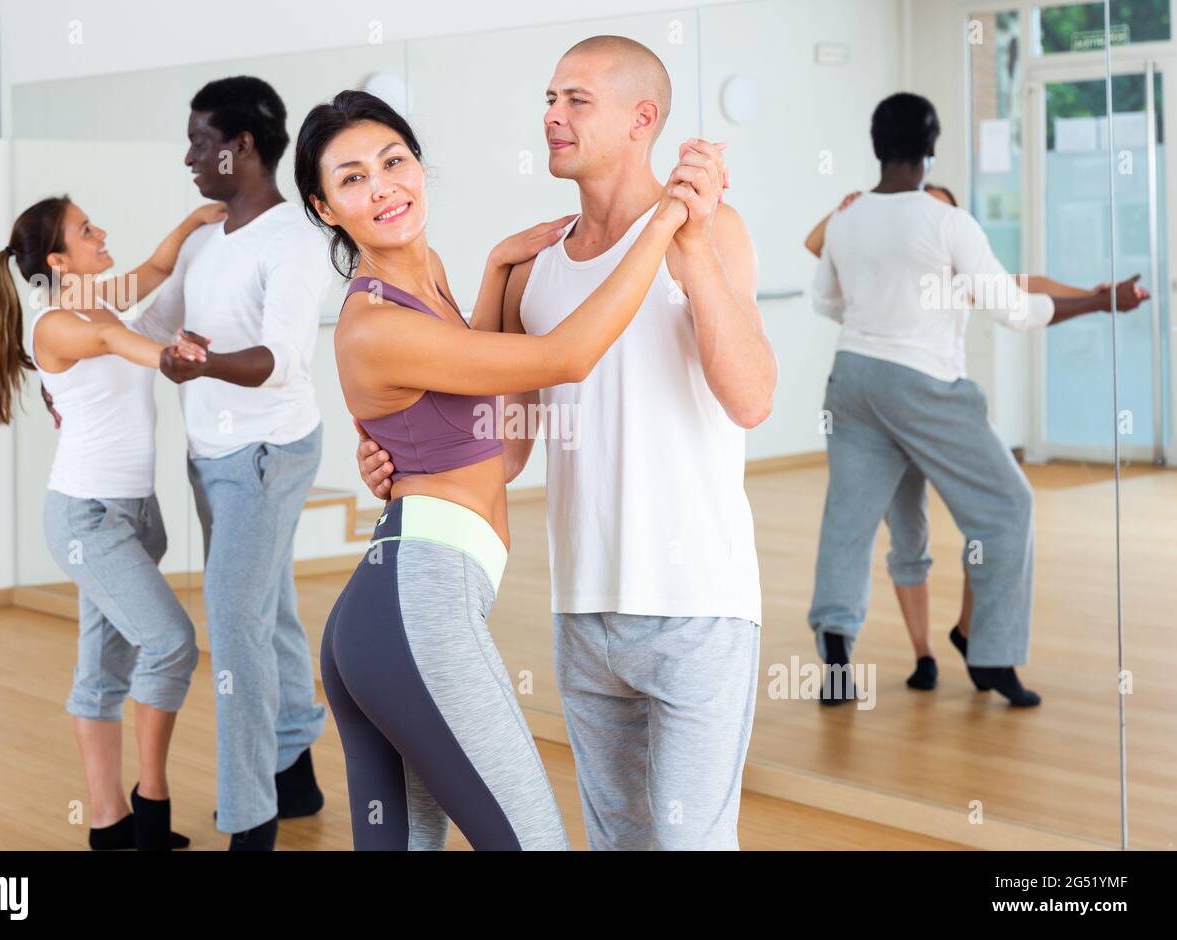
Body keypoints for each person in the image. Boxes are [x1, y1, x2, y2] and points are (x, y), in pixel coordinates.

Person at [357, 35, 775, 850]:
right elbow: (499, 451)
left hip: (699, 609)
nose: (552, 116)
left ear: (640, 119)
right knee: (619, 841)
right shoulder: (533, 268)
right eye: (549, 100)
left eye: (576, 101)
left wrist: (687, 240)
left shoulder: (711, 233)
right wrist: (398, 458)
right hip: (583, 612)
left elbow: (752, 398)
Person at [298, 88, 704, 850]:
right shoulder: (375, 324)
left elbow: (498, 440)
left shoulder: (428, 281)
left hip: (387, 615)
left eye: (394, 160)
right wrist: (665, 223)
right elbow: (566, 356)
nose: (383, 185)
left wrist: (492, 273)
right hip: (420, 610)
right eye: (352, 179)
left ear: (419, 166)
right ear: (326, 208)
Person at [807, 92, 1147, 707]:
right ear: (931, 150)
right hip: (922, 382)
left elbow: (826, 303)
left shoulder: (846, 219)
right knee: (1007, 506)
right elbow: (1015, 309)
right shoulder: (945, 221)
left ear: (876, 146)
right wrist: (1100, 302)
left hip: (852, 380)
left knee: (848, 523)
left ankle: (835, 657)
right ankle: (988, 654)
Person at [127, 76, 335, 850]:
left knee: (236, 627)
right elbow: (148, 323)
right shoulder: (209, 239)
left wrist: (202, 365)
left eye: (201, 141)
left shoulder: (294, 241)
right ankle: (295, 774)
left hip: (266, 455)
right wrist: (73, 356)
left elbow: (278, 361)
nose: (189, 156)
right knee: (267, 608)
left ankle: (251, 819)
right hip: (211, 456)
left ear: (241, 147)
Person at [0, 193, 222, 849]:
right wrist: (170, 355)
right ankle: (152, 799)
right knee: (172, 641)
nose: (102, 232)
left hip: (136, 516)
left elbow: (154, 269)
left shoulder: (104, 296)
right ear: (58, 259)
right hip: (86, 520)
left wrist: (197, 220)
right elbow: (113, 341)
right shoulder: (53, 323)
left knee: (100, 674)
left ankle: (108, 823)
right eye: (87, 230)